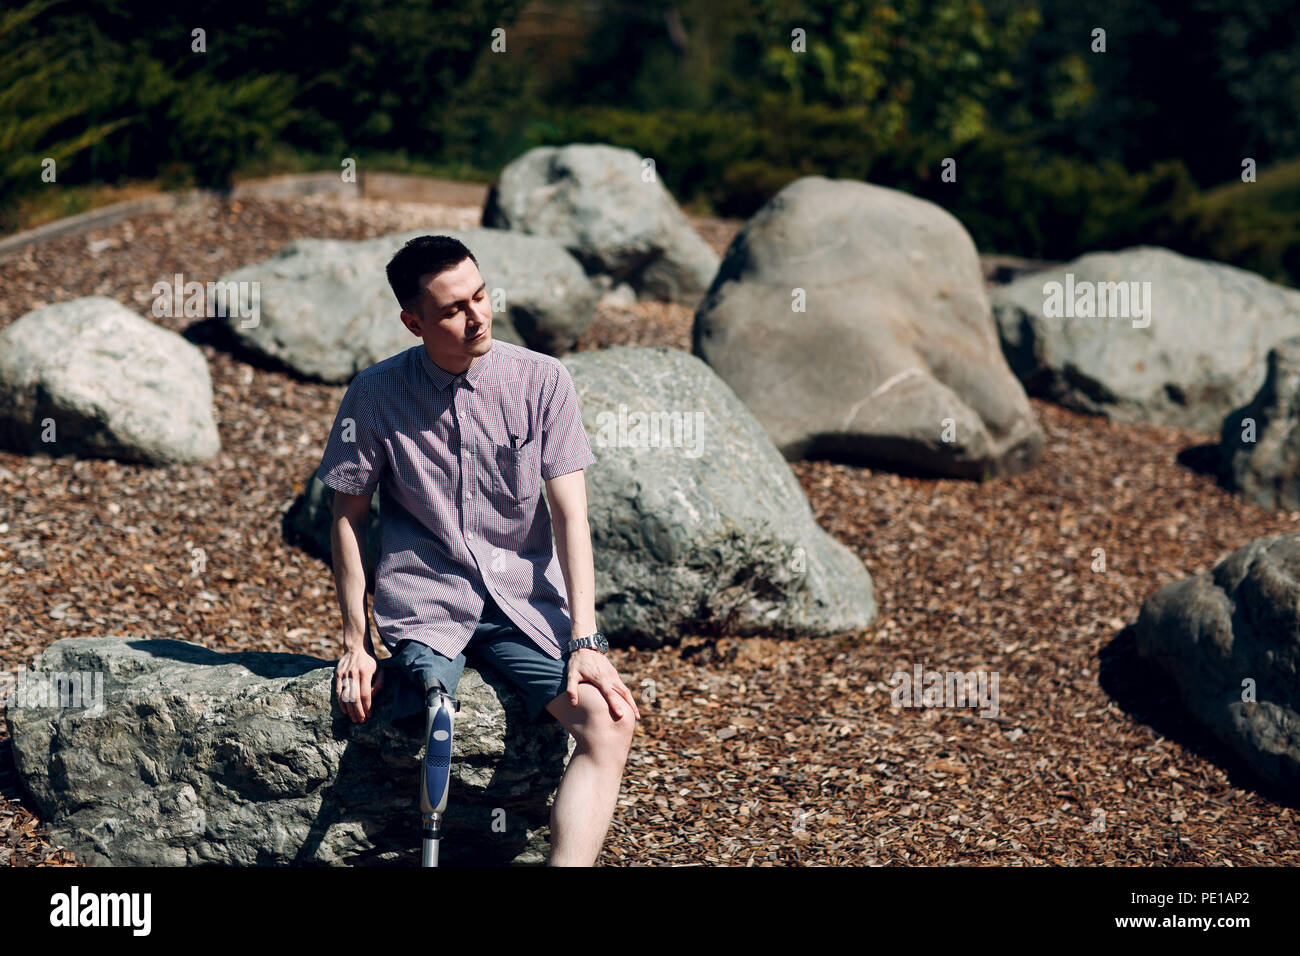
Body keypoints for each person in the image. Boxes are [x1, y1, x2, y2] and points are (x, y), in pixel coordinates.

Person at [320, 235, 639, 866]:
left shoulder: (543, 380)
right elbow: (348, 515)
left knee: (610, 721)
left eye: (481, 295)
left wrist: (585, 641)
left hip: (523, 600)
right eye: (453, 310)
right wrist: (355, 641)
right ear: (413, 321)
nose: (477, 318)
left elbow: (571, 515)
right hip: (429, 596)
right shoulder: (374, 394)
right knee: (437, 709)